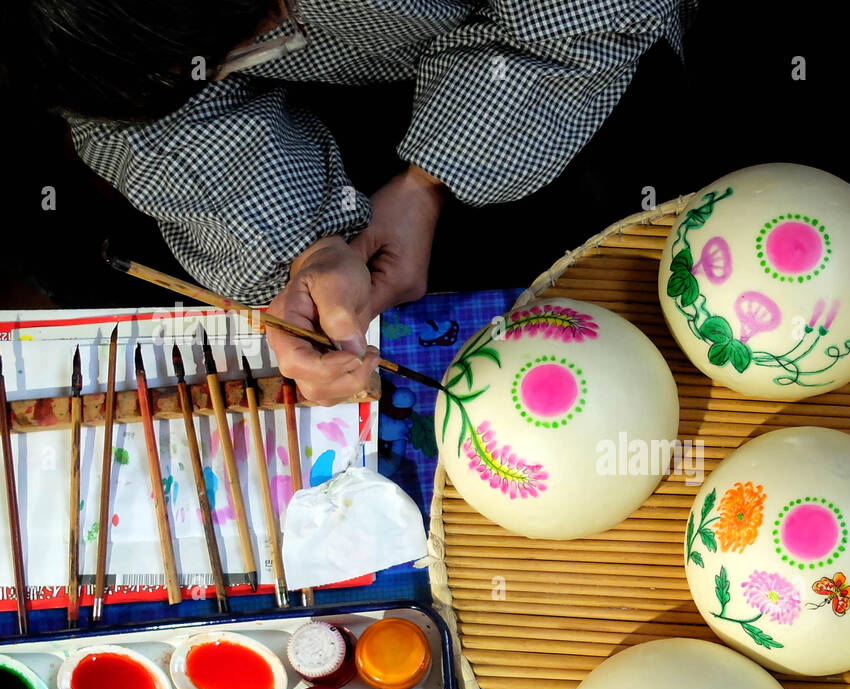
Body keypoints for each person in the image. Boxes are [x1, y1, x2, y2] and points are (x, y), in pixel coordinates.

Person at [6, 0, 695, 402]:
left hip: (538, 45)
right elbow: (148, 118)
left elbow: (586, 13)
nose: (209, 71)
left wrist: (434, 175)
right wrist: (303, 244)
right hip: (318, 87)